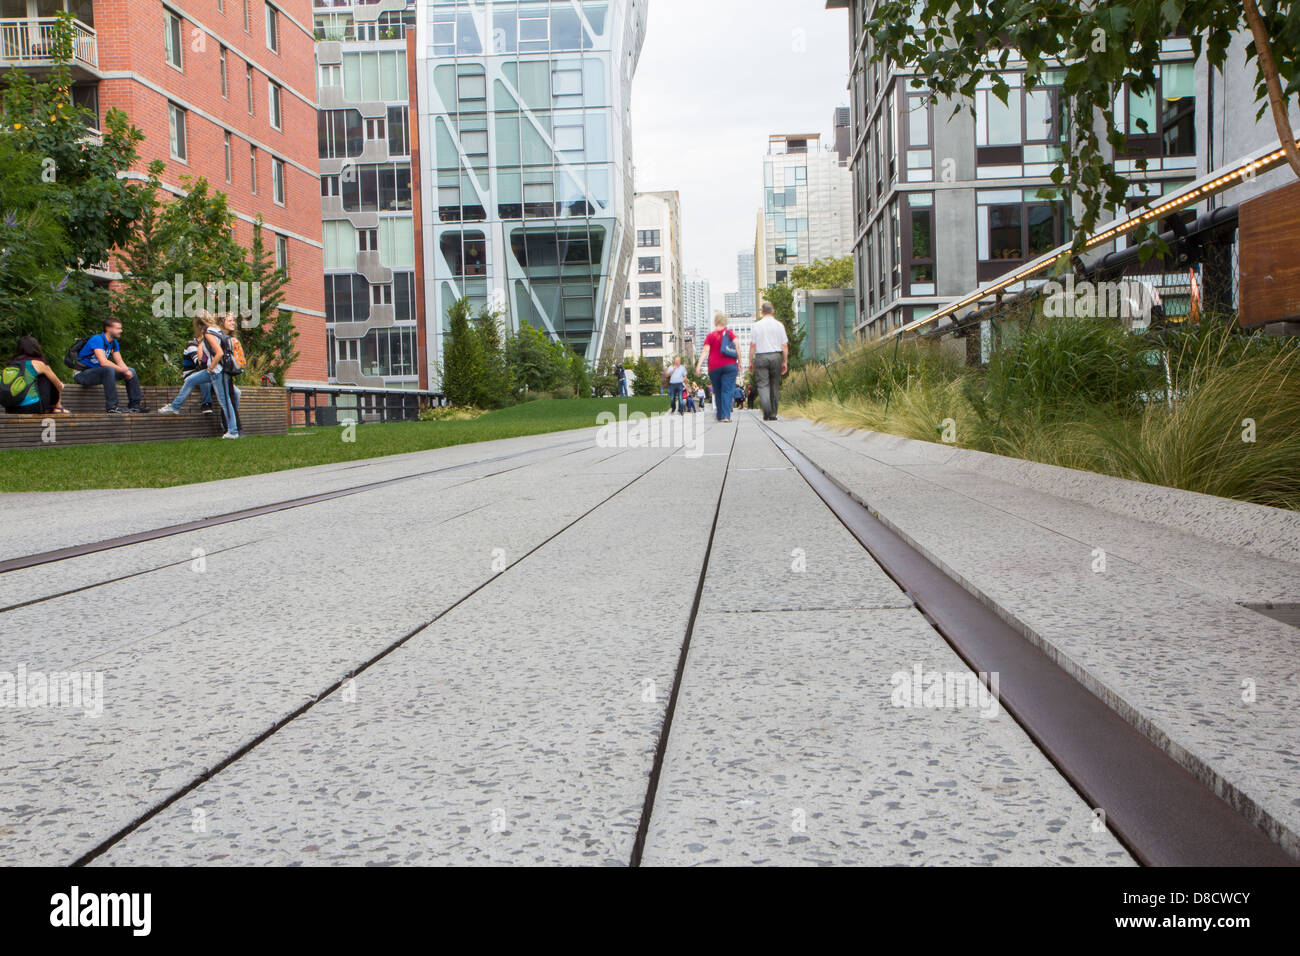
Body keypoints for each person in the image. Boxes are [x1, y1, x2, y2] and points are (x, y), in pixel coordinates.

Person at [157, 312, 240, 438]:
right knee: (191, 380)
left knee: (225, 402)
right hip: (215, 371)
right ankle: (175, 406)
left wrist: (211, 367)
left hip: (217, 372)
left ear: (200, 325)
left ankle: (233, 432)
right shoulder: (217, 330)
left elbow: (219, 353)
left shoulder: (208, 332)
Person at [75, 318, 144, 413]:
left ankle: (135, 405)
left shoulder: (114, 343)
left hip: (99, 373)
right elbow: (104, 362)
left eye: (121, 328)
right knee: (108, 369)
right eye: (118, 328)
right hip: (82, 374)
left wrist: (126, 371)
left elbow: (120, 362)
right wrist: (123, 370)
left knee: (131, 371)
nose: (121, 331)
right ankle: (112, 406)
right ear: (108, 328)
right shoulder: (97, 339)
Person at [1, 336, 69, 414]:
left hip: (10, 409)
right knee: (47, 377)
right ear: (36, 347)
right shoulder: (38, 363)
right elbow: (59, 385)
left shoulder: (11, 365)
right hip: (31, 407)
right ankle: (56, 407)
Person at [749, 300, 790, 421]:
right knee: (774, 385)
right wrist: (785, 361)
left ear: (762, 312)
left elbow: (752, 345)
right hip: (776, 356)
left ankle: (766, 409)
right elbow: (784, 345)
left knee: (763, 385)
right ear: (773, 311)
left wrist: (750, 361)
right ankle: (773, 413)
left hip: (761, 356)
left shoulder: (756, 326)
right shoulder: (779, 325)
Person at [696, 313, 738, 423]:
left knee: (718, 391)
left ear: (715, 322)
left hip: (714, 367)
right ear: (725, 323)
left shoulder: (710, 336)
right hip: (729, 365)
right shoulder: (730, 334)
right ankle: (726, 416)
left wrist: (699, 365)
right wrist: (741, 362)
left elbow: (705, 351)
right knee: (727, 390)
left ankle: (720, 415)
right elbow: (737, 345)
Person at [181, 332, 214, 414]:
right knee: (204, 378)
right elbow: (199, 363)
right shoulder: (191, 345)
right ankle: (206, 404)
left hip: (206, 372)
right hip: (191, 374)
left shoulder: (209, 346)